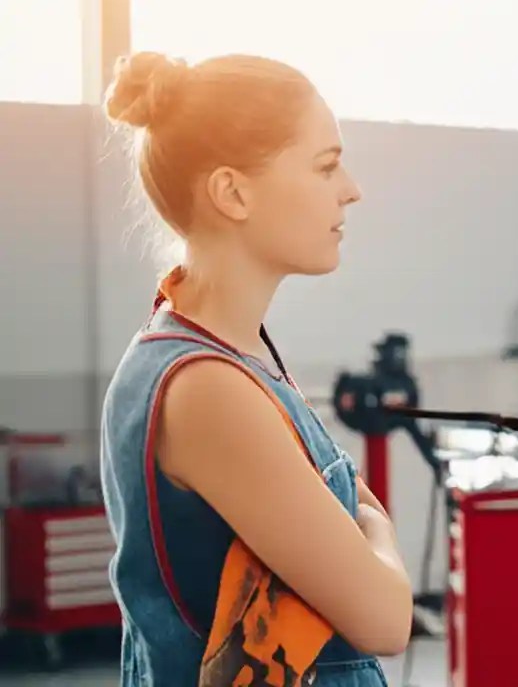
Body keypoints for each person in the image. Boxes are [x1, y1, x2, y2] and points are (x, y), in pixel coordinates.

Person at [99, 51, 412, 686]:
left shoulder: (232, 358)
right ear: (233, 192)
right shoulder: (207, 391)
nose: (351, 188)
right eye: (325, 165)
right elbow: (385, 620)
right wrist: (375, 528)